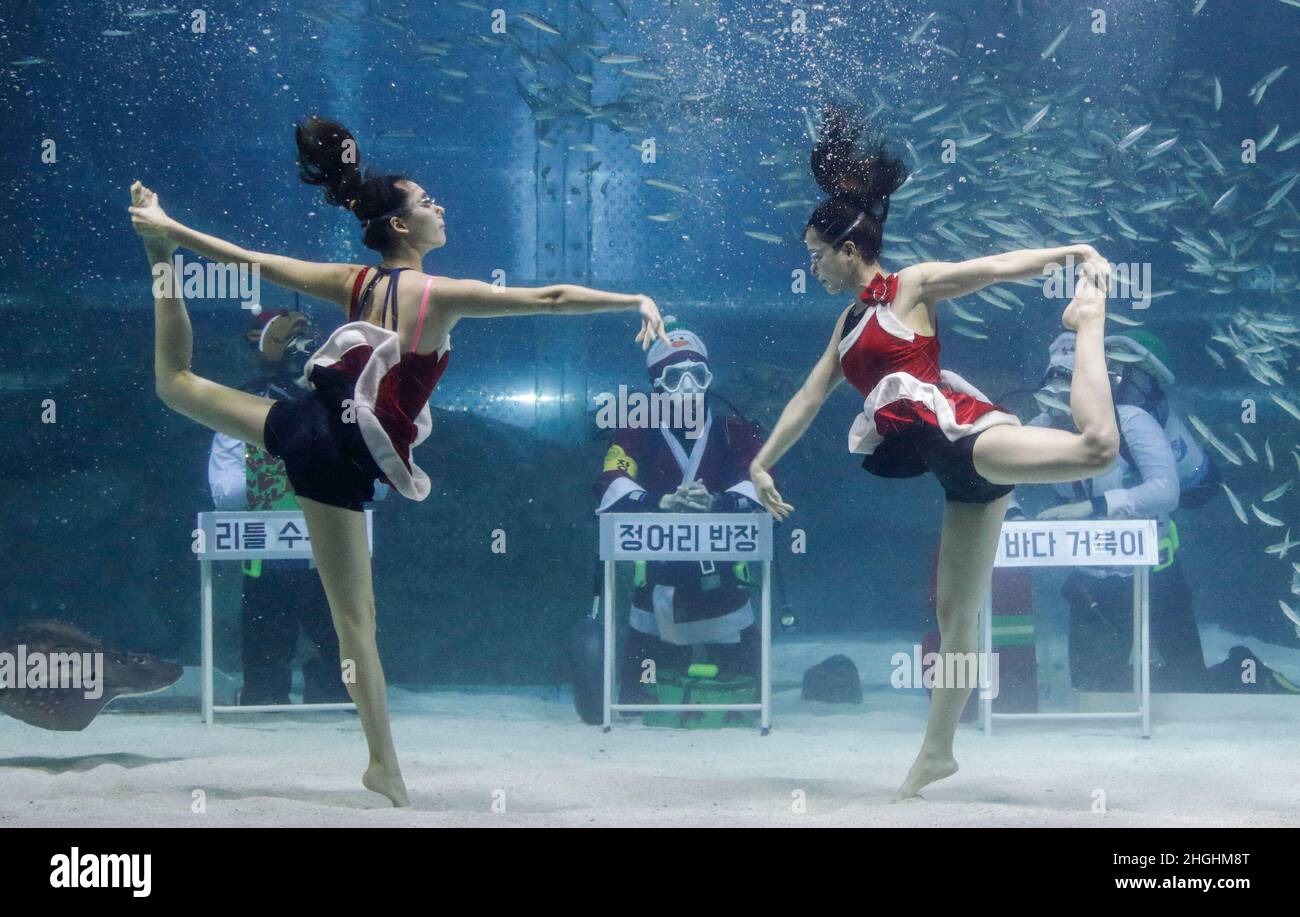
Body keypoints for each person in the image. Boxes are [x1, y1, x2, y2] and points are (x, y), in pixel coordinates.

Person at [129, 115, 669, 806]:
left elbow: (246, 259)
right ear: (404, 228)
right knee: (356, 621)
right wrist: (634, 298)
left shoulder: (352, 282)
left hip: (302, 424)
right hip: (336, 453)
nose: (439, 207)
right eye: (427, 202)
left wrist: (167, 231)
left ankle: (156, 266)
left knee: (175, 383)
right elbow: (551, 298)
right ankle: (382, 763)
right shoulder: (436, 295)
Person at [746, 106, 1120, 799]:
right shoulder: (847, 323)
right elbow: (807, 396)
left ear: (849, 250)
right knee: (955, 618)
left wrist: (1068, 256)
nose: (812, 266)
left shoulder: (908, 286)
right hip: (954, 475)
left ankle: (1090, 318)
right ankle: (938, 752)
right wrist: (760, 462)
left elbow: (991, 268)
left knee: (1097, 447)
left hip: (969, 436)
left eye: (815, 254)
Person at [593, 318, 768, 709]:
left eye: (697, 376)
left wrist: (718, 503)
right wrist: (661, 503)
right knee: (642, 704)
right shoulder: (636, 432)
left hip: (726, 591)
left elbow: (765, 483)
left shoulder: (735, 431)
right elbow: (609, 483)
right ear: (656, 384)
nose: (688, 389)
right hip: (656, 590)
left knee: (742, 700)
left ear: (708, 378)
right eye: (675, 378)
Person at [208, 309, 351, 706]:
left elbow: (229, 492)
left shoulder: (242, 404)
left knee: (274, 634)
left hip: (277, 552)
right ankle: (323, 690)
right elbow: (373, 481)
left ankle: (274, 692)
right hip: (316, 552)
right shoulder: (337, 403)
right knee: (333, 631)